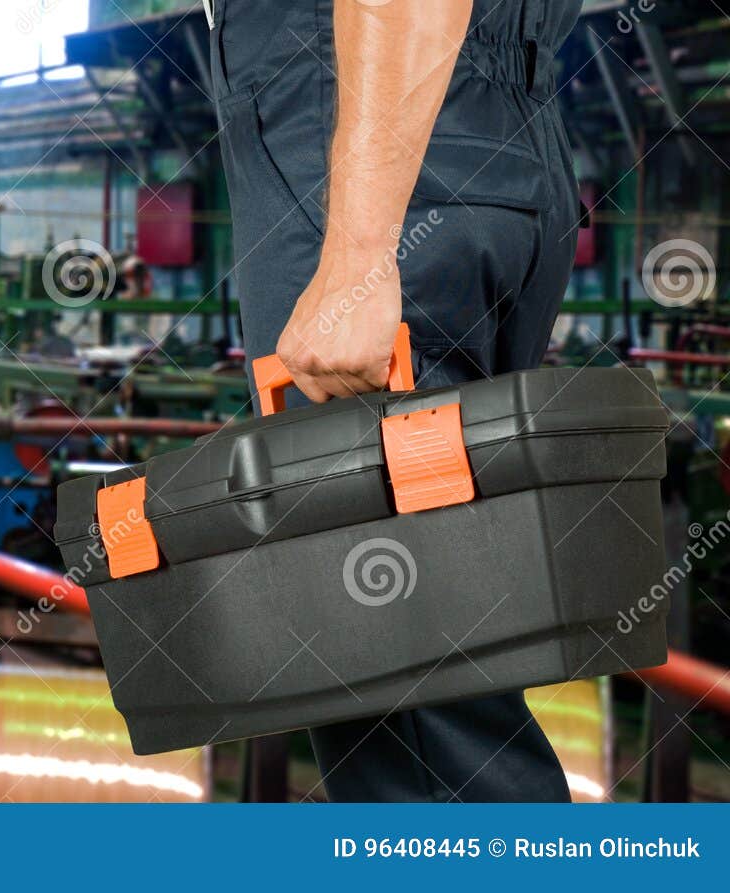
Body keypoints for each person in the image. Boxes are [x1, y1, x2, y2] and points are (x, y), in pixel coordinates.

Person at [212, 0, 583, 800]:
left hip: (355, 109)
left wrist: (359, 253)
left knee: (406, 691)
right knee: (444, 664)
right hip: (492, 119)